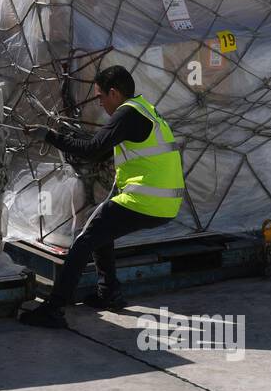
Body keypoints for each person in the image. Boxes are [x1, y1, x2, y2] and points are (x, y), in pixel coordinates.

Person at [17, 65, 185, 329]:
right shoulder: (145, 110)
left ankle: (54, 308)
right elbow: (103, 148)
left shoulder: (126, 114)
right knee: (101, 231)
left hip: (146, 199)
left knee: (84, 240)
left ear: (114, 93)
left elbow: (93, 150)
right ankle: (109, 293)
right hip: (164, 201)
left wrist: (49, 135)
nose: (100, 103)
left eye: (100, 97)